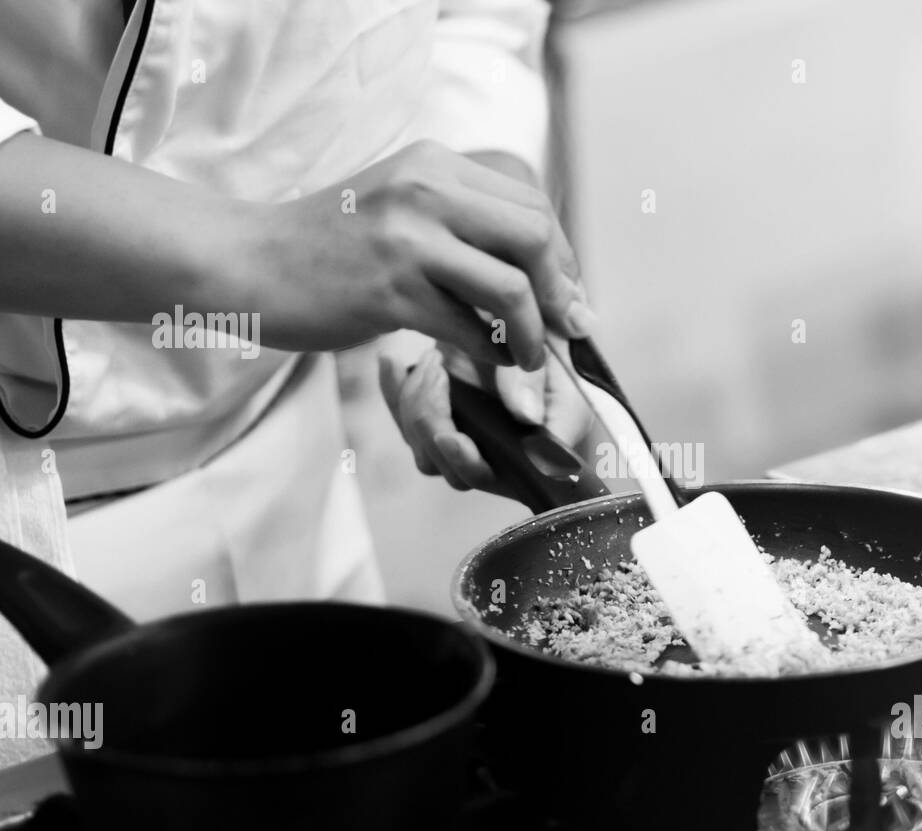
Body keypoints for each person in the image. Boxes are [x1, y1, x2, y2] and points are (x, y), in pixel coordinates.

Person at [0, 0, 591, 620]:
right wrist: (259, 257)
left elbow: (471, 18)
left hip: (294, 470)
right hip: (37, 528)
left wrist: (468, 243)